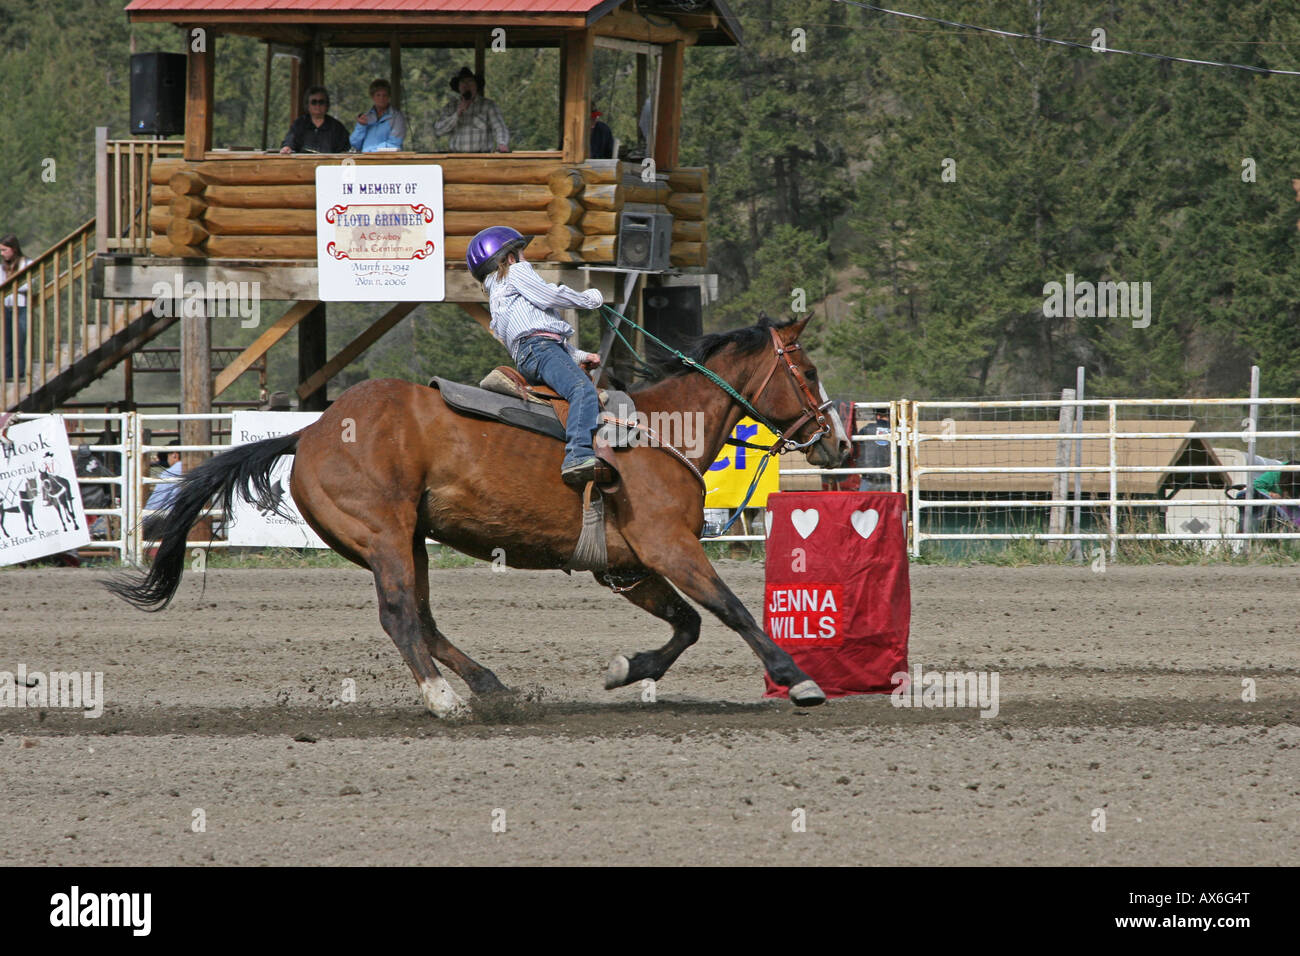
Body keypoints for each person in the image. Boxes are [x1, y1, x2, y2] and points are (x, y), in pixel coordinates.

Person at [467, 225, 604, 485]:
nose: (526, 259)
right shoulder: (516, 272)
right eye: (522, 253)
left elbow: (531, 332)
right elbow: (549, 296)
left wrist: (579, 355)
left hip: (532, 354)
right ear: (509, 257)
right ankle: (578, 455)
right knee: (582, 390)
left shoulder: (496, 294)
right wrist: (590, 299)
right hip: (542, 350)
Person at [433, 67, 509, 153]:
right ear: (458, 87)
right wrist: (457, 114)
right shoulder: (450, 107)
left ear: (476, 86)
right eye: (463, 82)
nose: (466, 85)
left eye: (470, 81)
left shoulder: (488, 105)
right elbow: (438, 131)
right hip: (455, 158)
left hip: (481, 158)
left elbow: (500, 127)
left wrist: (502, 144)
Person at [280, 86, 351, 154]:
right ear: (307, 105)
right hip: (303, 164)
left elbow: (345, 148)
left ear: (327, 105)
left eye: (321, 102)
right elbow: (290, 140)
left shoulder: (336, 127)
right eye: (314, 102)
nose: (318, 106)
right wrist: (287, 147)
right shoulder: (300, 124)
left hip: (328, 164)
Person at [1, 234, 33, 380]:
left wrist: (12, 282)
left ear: (13, 249)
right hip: (5, 308)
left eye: (4, 250)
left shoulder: (27, 263)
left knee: (19, 343)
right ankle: (8, 376)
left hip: (21, 307)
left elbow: (28, 285)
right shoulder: (2, 268)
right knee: (7, 345)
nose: (2, 254)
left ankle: (19, 375)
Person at [350, 79, 407, 152]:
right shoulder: (366, 117)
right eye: (378, 95)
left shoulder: (397, 117)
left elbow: (395, 143)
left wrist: (370, 150)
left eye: (385, 95)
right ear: (372, 97)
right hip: (366, 160)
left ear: (389, 97)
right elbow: (355, 144)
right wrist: (361, 126)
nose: (381, 98)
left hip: (388, 160)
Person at [145, 441, 182, 514]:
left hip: (171, 518)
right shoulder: (198, 468)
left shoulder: (170, 473)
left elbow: (156, 502)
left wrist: (143, 517)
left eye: (167, 456)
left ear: (174, 455)